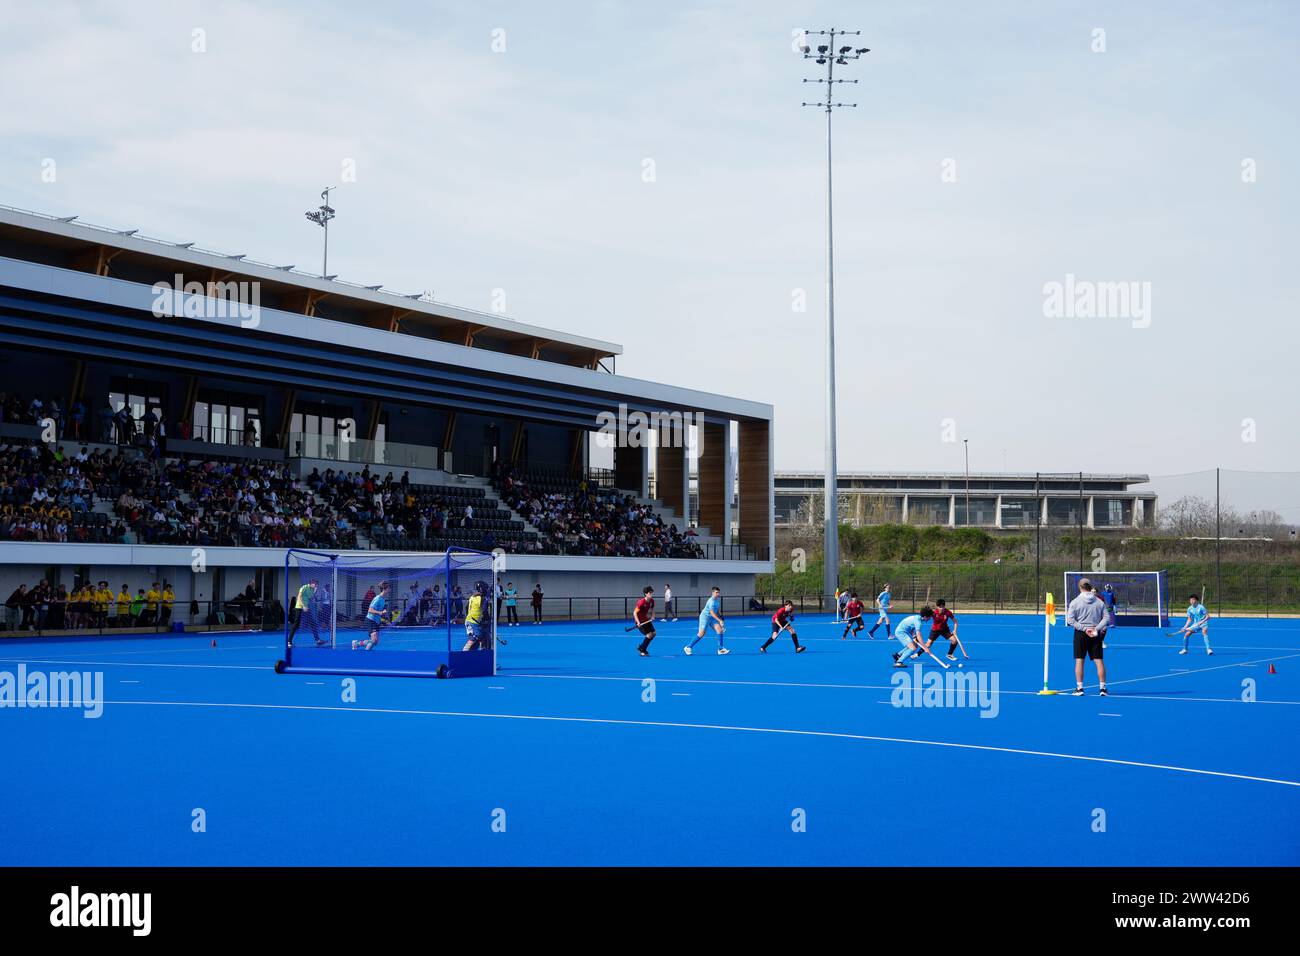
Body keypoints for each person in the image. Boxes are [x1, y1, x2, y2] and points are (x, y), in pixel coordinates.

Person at [1064, 578, 1109, 696]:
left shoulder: (1075, 602)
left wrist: (1084, 628)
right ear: (1090, 587)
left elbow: (1070, 620)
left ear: (1080, 587)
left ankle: (1079, 688)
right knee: (1099, 661)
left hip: (1081, 634)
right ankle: (1103, 689)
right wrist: (1096, 628)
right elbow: (1106, 618)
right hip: (1095, 633)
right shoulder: (1099, 602)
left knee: (1080, 660)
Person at [685, 586, 727, 655]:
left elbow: (718, 610)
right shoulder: (711, 601)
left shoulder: (717, 600)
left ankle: (721, 649)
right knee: (701, 633)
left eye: (718, 592)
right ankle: (688, 647)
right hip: (705, 617)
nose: (718, 594)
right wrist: (719, 621)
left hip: (712, 618)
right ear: (713, 592)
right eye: (716, 592)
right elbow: (712, 613)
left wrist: (722, 618)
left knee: (719, 630)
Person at [287, 578, 325, 647]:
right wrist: (304, 606)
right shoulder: (304, 587)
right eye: (315, 584)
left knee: (313, 623)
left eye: (316, 584)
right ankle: (289, 641)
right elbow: (299, 597)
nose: (316, 585)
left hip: (306, 608)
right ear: (311, 583)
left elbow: (309, 598)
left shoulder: (312, 589)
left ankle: (318, 640)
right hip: (299, 607)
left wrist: (314, 595)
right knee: (296, 624)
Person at [353, 581, 391, 651]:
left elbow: (382, 612)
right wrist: (380, 613)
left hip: (376, 621)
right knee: (373, 640)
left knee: (375, 642)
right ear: (384, 589)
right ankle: (366, 655)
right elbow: (370, 610)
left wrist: (386, 619)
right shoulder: (378, 598)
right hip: (371, 620)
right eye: (389, 588)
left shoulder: (383, 599)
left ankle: (357, 643)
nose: (390, 590)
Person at [462, 584, 488, 650]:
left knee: (480, 637)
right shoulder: (481, 598)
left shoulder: (472, 597)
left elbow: (466, 608)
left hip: (472, 620)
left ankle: (477, 652)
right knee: (475, 637)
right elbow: (484, 610)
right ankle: (464, 652)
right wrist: (484, 620)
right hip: (472, 621)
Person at [633, 586, 656, 656]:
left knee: (654, 633)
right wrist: (638, 622)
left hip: (646, 620)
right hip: (639, 621)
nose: (651, 594)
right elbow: (634, 613)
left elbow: (652, 609)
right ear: (645, 594)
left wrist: (652, 616)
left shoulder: (652, 601)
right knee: (649, 635)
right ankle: (642, 650)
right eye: (650, 593)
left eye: (652, 593)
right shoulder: (641, 602)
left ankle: (641, 647)